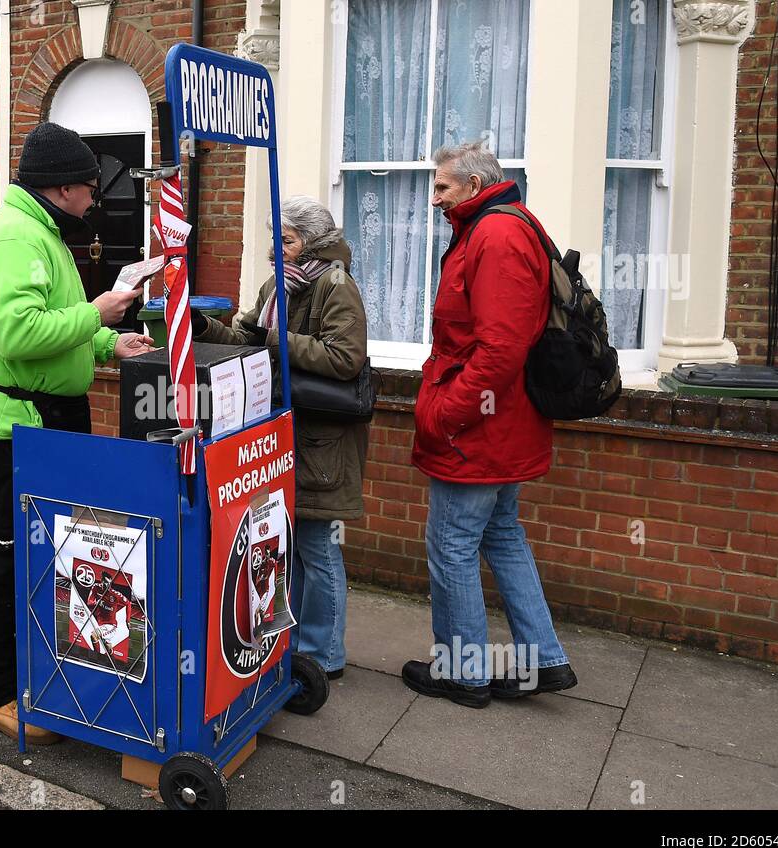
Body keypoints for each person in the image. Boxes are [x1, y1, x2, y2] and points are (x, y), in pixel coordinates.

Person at [0, 121, 152, 744]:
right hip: (7, 427)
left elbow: (55, 323)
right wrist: (97, 311)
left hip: (46, 420)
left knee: (50, 557)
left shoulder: (41, 232)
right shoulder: (13, 238)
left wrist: (107, 341)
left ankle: (38, 676)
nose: (96, 201)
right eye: (91, 190)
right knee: (7, 557)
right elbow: (19, 335)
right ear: (63, 188)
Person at [401, 141, 577, 709]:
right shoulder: (498, 227)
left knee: (452, 545)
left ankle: (464, 671)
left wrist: (447, 414)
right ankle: (543, 659)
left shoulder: (496, 236)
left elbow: (500, 349)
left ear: (474, 187)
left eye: (443, 188)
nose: (435, 198)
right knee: (502, 536)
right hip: (503, 424)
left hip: (480, 428)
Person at [193, 195, 369, 680]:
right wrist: (203, 325)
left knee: (318, 546)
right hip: (282, 435)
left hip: (322, 442)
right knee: (285, 543)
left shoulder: (334, 284)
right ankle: (291, 641)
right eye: (275, 238)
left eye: (285, 240)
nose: (275, 248)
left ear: (311, 241)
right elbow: (244, 336)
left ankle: (322, 656)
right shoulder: (279, 285)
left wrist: (275, 340)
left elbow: (345, 357)